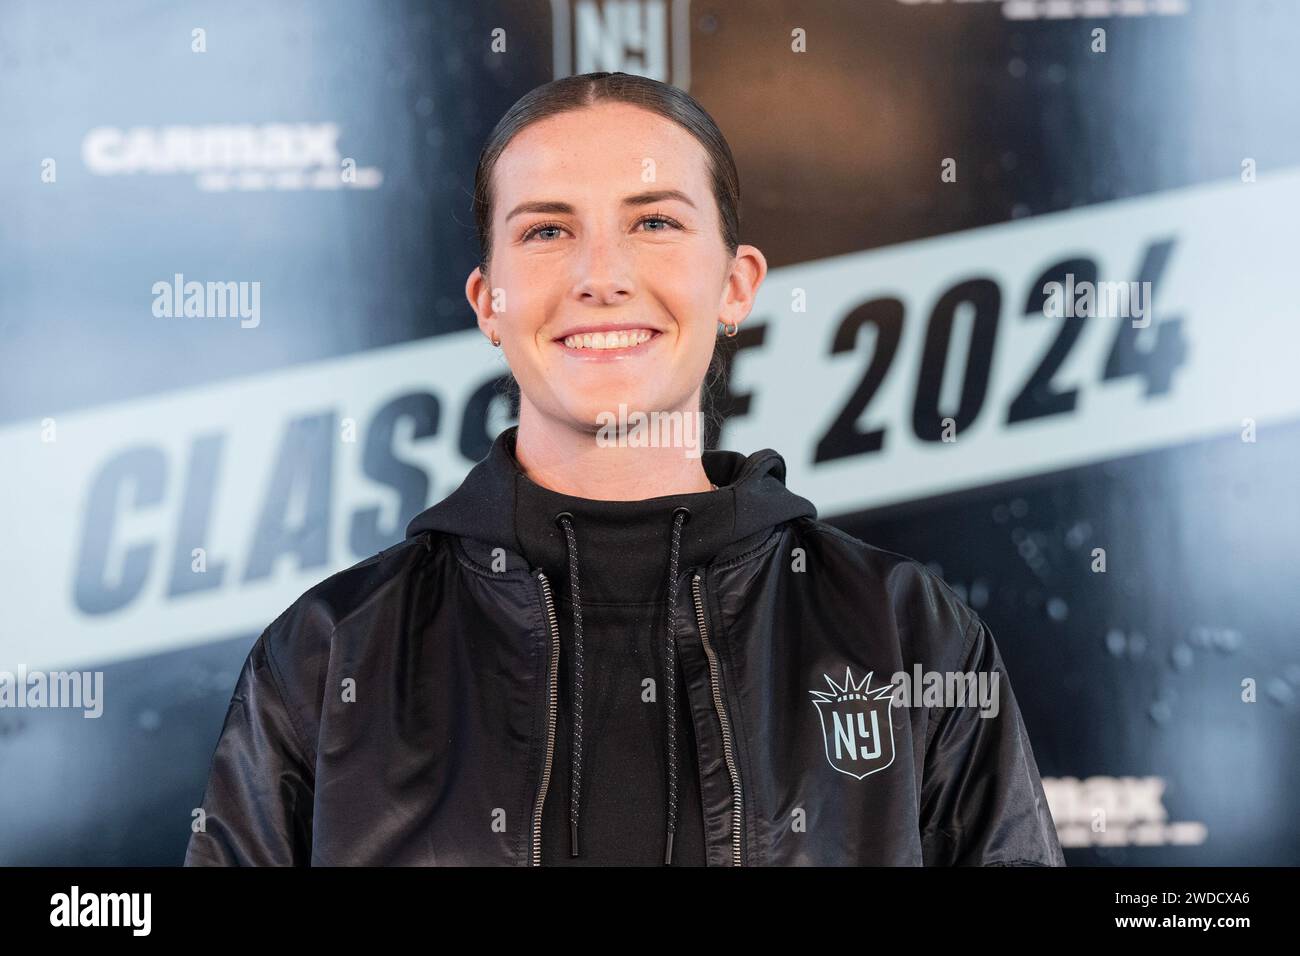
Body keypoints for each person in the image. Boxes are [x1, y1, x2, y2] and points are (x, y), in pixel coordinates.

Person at [184, 71, 1064, 867]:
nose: (601, 276)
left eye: (653, 222)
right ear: (490, 301)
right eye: (547, 230)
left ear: (736, 284)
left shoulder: (906, 632)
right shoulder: (330, 651)